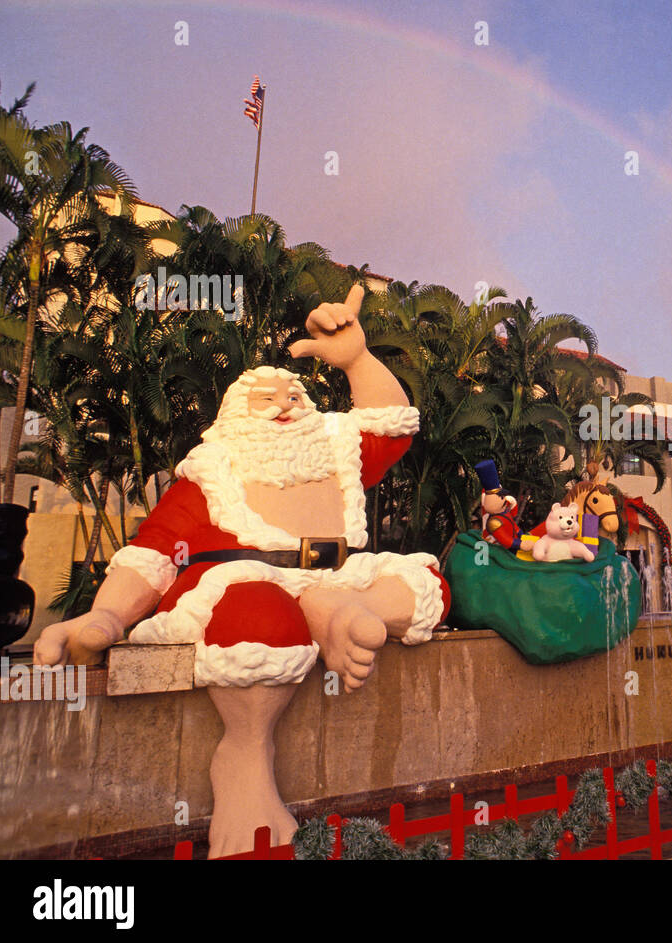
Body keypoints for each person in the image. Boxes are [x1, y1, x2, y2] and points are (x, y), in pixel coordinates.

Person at [33, 283, 450, 857]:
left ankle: (340, 613)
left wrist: (356, 357)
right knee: (261, 614)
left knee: (426, 584)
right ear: (233, 417)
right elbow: (153, 555)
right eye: (265, 399)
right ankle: (247, 760)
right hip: (243, 585)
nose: (284, 404)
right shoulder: (214, 471)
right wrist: (105, 616)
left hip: (334, 582)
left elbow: (393, 424)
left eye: (294, 397)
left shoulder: (334, 449)